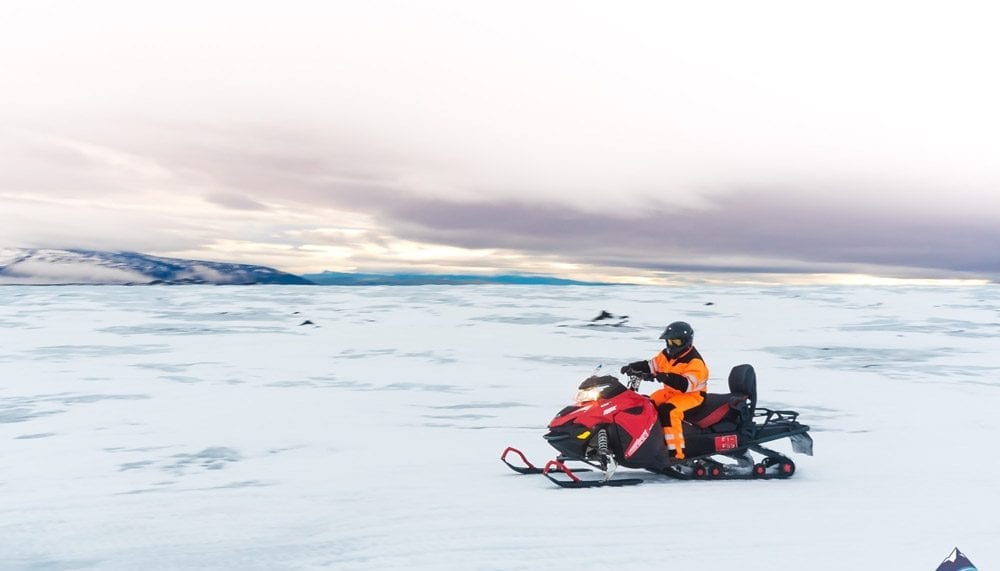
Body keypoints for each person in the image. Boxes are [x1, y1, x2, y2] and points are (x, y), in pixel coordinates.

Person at [620, 321, 708, 460]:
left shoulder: (694, 361)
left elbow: (686, 385)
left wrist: (666, 377)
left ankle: (676, 454)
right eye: (669, 341)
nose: (672, 345)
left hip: (692, 396)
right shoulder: (666, 355)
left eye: (676, 342)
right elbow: (651, 365)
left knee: (669, 411)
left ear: (686, 342)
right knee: (645, 404)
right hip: (670, 393)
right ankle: (648, 444)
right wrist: (633, 367)